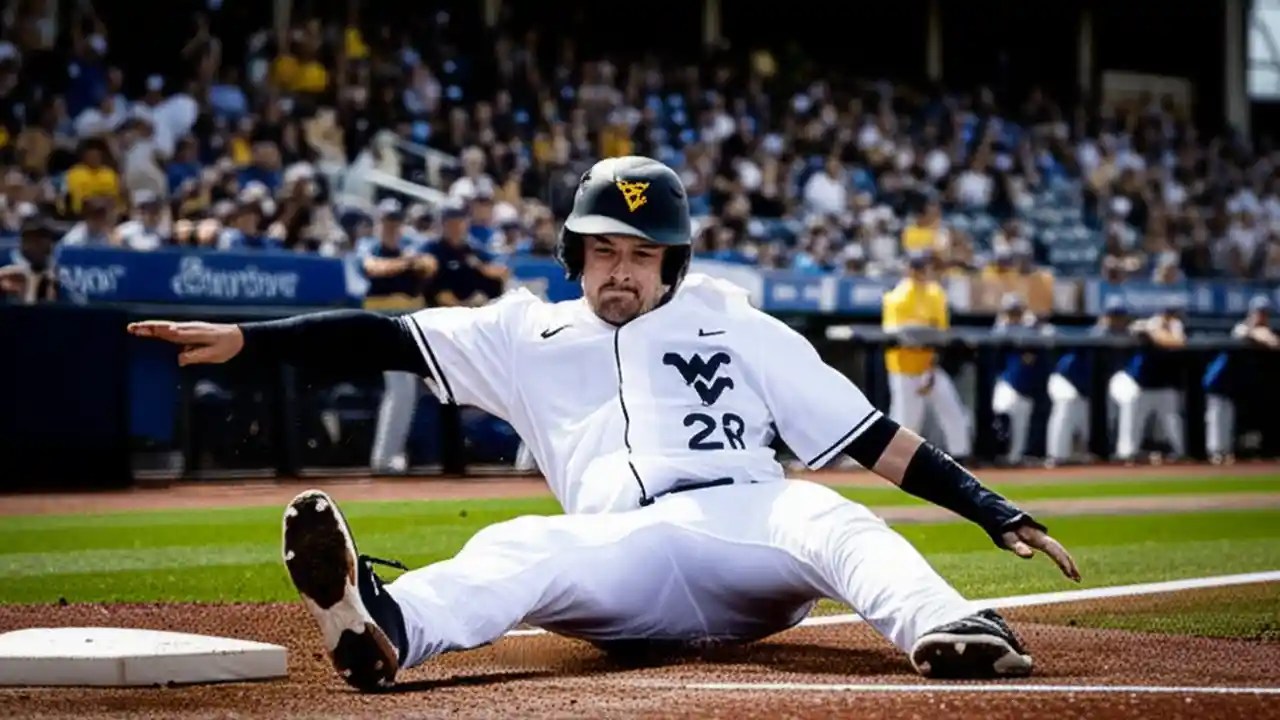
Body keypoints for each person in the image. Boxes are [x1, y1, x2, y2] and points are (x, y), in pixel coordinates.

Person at [129, 156, 1078, 693]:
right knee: (521, 544)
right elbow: (377, 337)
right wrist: (248, 341)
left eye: (641, 253)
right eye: (601, 251)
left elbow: (870, 433)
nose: (620, 270)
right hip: (617, 553)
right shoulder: (521, 330)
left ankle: (948, 627)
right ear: (573, 254)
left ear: (671, 261)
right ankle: (381, 627)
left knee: (826, 513)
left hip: (749, 529)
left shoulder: (732, 316)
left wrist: (987, 506)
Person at [357, 198, 438, 474]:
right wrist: (407, 263)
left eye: (396, 222)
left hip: (408, 326)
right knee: (400, 389)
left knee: (407, 391)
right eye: (387, 222)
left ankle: (392, 453)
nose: (391, 227)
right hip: (381, 326)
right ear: (379, 223)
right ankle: (384, 457)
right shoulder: (369, 245)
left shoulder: (409, 246)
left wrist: (412, 261)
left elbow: (430, 264)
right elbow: (373, 267)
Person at [880, 250, 972, 459]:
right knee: (907, 422)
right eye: (916, 267)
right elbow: (898, 336)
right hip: (903, 367)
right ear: (908, 269)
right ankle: (895, 462)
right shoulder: (897, 297)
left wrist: (930, 369)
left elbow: (940, 334)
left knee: (953, 411)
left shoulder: (935, 293)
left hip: (929, 366)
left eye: (923, 267)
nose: (921, 272)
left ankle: (961, 457)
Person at [1045, 296, 1128, 464]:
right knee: (1067, 404)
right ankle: (1056, 457)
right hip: (1065, 380)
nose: (1115, 320)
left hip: (1087, 391)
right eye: (1112, 315)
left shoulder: (1126, 336)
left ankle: (1094, 455)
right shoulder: (1096, 332)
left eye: (1119, 316)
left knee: (1090, 427)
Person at [1204, 296, 1279, 464]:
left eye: (1265, 313)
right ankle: (1216, 453)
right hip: (1218, 381)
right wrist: (1264, 336)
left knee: (1228, 418)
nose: (1262, 316)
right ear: (1251, 313)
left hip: (1233, 384)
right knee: (1217, 418)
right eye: (1259, 313)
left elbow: (1272, 341)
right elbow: (1259, 337)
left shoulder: (1265, 329)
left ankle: (1226, 452)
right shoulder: (1241, 328)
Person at [1111, 303, 1187, 463]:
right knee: (1133, 420)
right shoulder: (1147, 324)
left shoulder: (1176, 327)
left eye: (1173, 313)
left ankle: (1180, 452)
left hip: (1164, 384)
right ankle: (1127, 454)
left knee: (1172, 421)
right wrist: (1156, 333)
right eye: (1167, 312)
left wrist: (1165, 335)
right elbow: (1138, 329)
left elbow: (1177, 341)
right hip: (1140, 383)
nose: (1169, 316)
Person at [990, 294, 1053, 465]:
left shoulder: (1032, 328)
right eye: (1010, 312)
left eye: (1017, 312)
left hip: (1028, 387)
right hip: (1006, 382)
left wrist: (1035, 327)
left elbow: (1048, 336)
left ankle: (1015, 458)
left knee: (1021, 431)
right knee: (1001, 410)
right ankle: (1000, 452)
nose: (1014, 316)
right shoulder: (1000, 328)